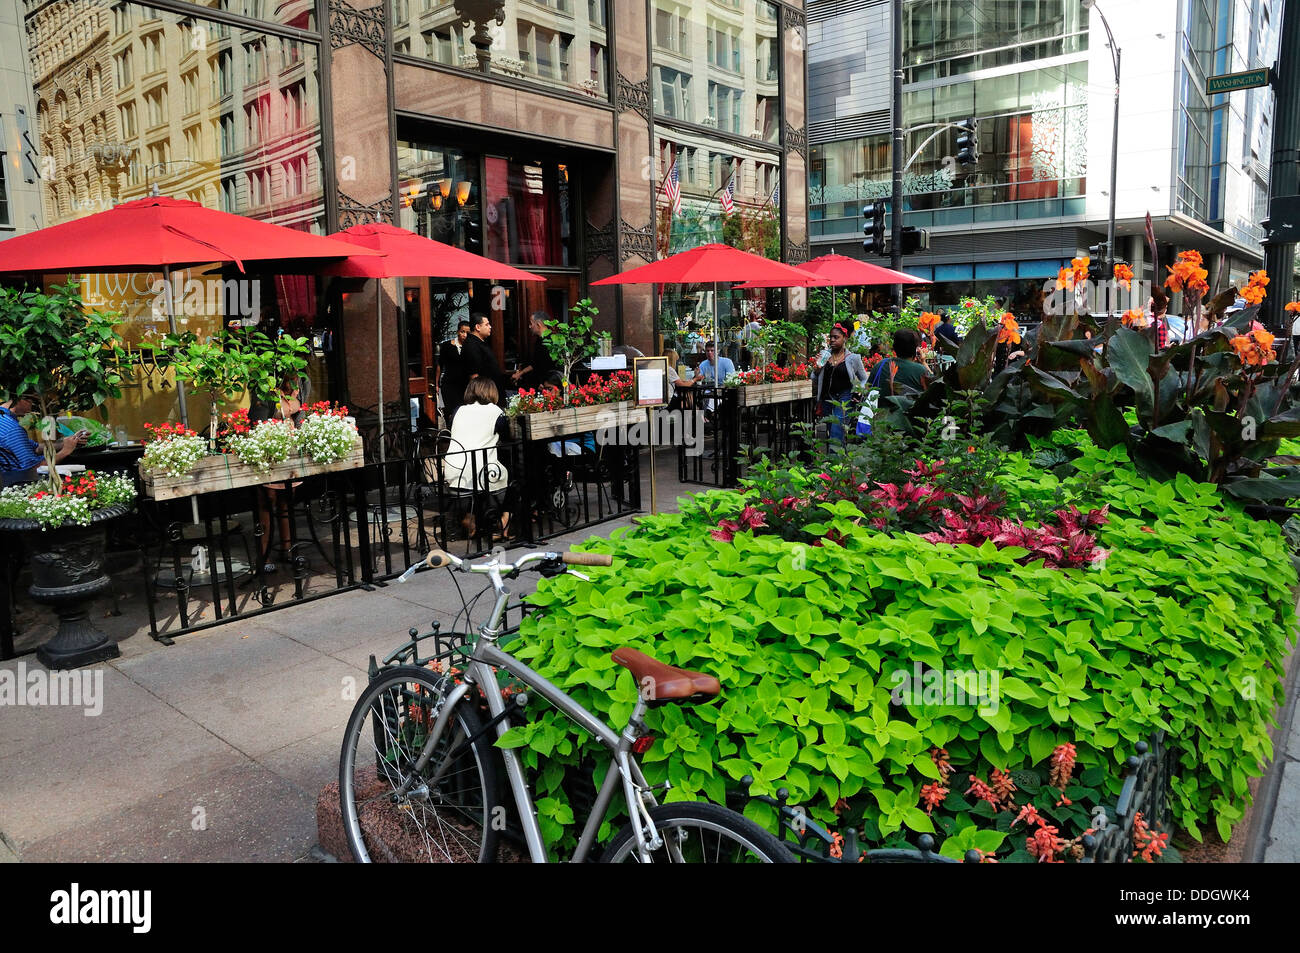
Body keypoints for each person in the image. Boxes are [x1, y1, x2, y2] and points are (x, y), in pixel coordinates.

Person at [249, 375, 310, 570]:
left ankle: (288, 549)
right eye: (291, 372)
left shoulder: (302, 383)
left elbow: (302, 414)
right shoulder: (265, 384)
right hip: (270, 445)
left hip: (291, 446)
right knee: (267, 500)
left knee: (287, 499)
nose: (295, 375)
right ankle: (264, 555)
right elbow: (258, 419)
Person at [445, 376, 513, 540]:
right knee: (515, 476)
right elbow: (507, 437)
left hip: (455, 470)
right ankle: (502, 522)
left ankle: (470, 517)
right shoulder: (496, 412)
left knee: (483, 473)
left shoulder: (458, 410)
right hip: (482, 472)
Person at [0, 394, 86, 486]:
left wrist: (66, 443)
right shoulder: (12, 429)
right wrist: (65, 451)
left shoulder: (3, 419)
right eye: (32, 402)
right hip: (19, 481)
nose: (32, 407)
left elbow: (36, 448)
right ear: (21, 399)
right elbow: (34, 469)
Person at [812, 322, 870, 441]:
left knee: (836, 431)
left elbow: (864, 378)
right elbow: (814, 377)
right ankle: (839, 453)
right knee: (831, 431)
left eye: (836, 337)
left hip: (845, 399)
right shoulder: (825, 356)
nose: (832, 340)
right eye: (831, 337)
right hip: (827, 399)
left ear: (845, 338)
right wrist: (817, 369)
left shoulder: (853, 358)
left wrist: (859, 390)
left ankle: (834, 452)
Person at [870, 329, 931, 396]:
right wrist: (923, 362)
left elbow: (868, 388)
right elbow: (934, 387)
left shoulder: (881, 364)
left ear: (894, 347)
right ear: (915, 349)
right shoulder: (920, 370)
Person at [461, 313, 506, 403]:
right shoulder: (471, 345)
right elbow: (474, 376)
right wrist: (482, 400)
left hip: (493, 395)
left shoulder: (480, 343)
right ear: (478, 327)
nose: (490, 327)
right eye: (487, 324)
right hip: (485, 398)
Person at [511, 311, 557, 392]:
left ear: (538, 324)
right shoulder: (539, 340)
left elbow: (549, 366)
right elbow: (535, 364)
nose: (529, 326)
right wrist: (520, 373)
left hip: (549, 386)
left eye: (531, 323)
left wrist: (543, 382)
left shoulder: (551, 341)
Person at [439, 320, 471, 424]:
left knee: (464, 413)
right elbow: (439, 365)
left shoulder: (471, 347)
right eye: (462, 332)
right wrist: (436, 384)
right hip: (449, 385)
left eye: (467, 332)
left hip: (466, 386)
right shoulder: (446, 346)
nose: (465, 335)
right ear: (458, 332)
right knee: (452, 413)